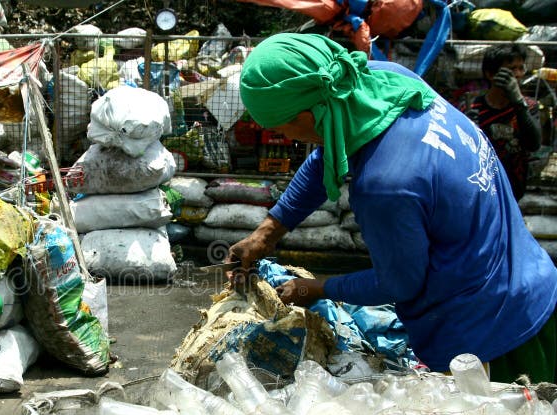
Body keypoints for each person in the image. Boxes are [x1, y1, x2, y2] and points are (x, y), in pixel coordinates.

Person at [228, 32, 557, 384]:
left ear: (311, 113)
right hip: (533, 281)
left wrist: (319, 287)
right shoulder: (378, 79)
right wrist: (266, 234)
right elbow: (329, 152)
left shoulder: (385, 185)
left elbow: (401, 284)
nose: (290, 138)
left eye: (282, 127)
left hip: (494, 337)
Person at [464, 43, 542, 201]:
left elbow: (533, 144)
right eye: (512, 70)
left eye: (521, 68)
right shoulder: (474, 107)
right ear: (491, 74)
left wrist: (519, 102)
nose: (518, 74)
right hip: (483, 189)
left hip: (514, 189)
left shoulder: (528, 106)